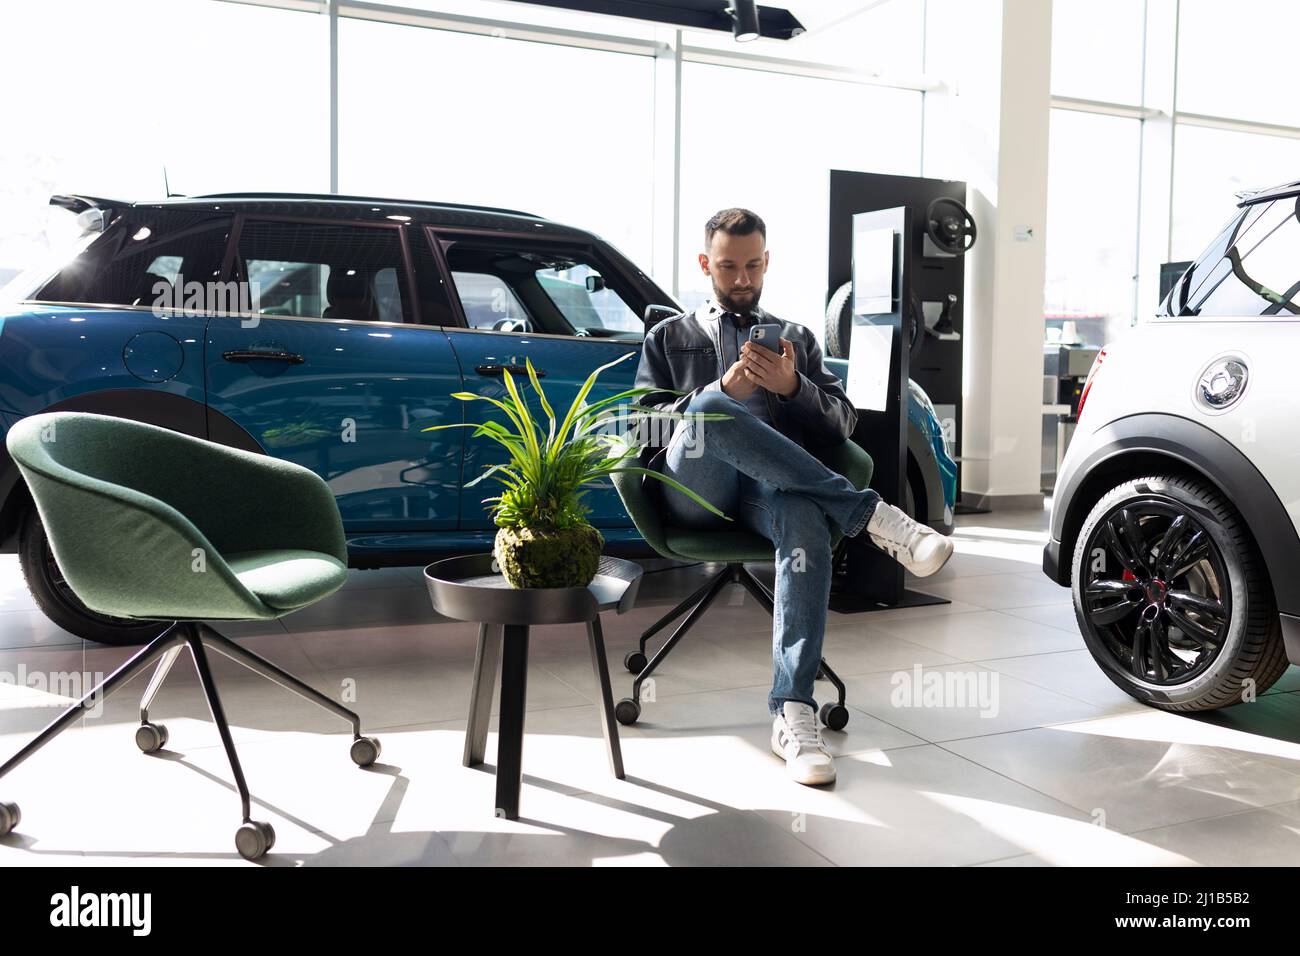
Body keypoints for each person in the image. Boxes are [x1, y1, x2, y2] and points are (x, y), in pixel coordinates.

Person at [632, 207, 954, 786]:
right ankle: (872, 515)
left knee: (804, 514)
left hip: (769, 492)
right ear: (706, 264)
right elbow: (641, 429)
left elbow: (845, 422)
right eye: (728, 267)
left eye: (753, 266)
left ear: (767, 262)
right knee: (709, 409)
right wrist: (719, 391)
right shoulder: (669, 338)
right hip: (694, 491)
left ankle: (792, 709)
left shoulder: (797, 340)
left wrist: (794, 387)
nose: (741, 280)